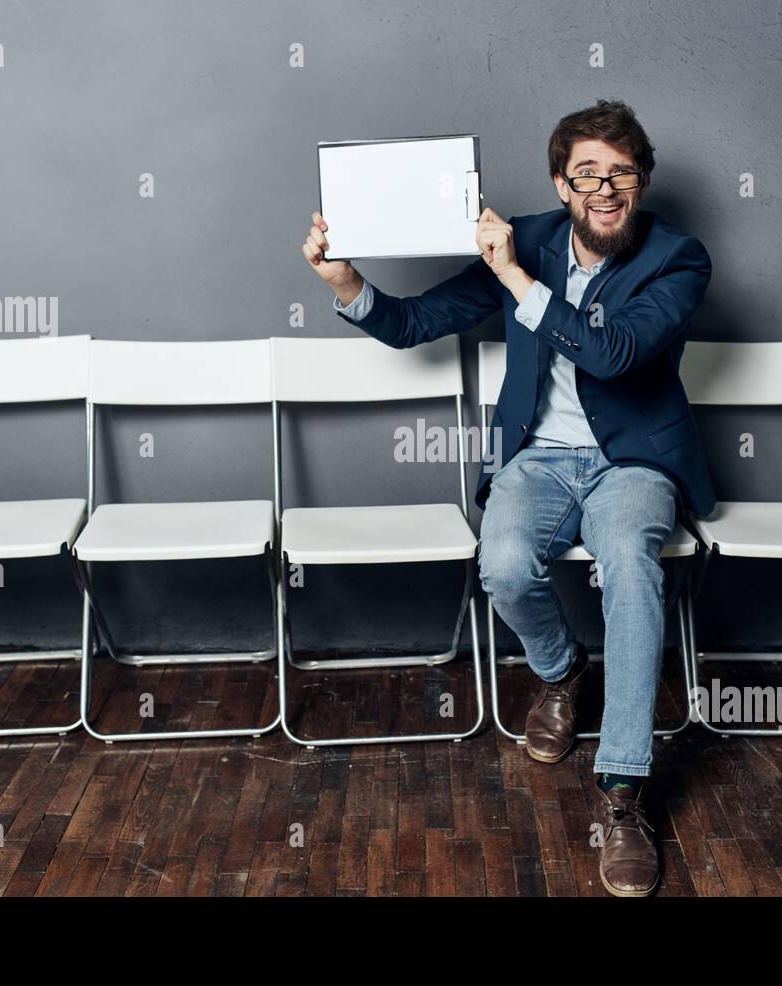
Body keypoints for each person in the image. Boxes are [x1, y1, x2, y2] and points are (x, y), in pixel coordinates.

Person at [301, 99, 714, 897]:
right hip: (536, 457)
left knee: (631, 565)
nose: (604, 187)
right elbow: (419, 320)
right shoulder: (525, 238)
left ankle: (625, 792)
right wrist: (345, 281)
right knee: (505, 561)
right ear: (561, 184)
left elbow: (615, 353)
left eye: (620, 172)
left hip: (632, 462)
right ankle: (562, 671)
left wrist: (516, 278)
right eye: (586, 172)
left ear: (643, 181)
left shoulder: (678, 258)